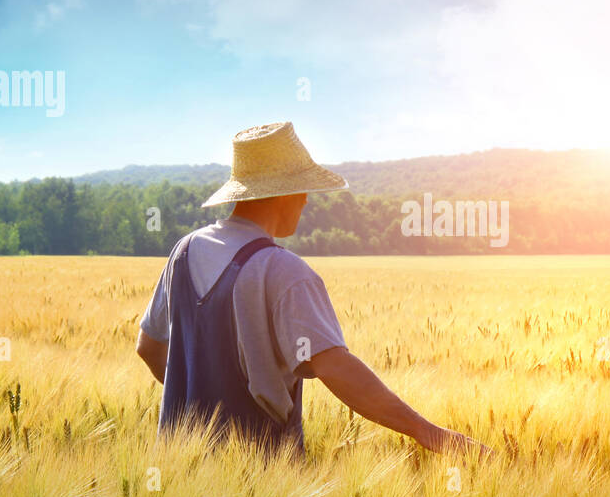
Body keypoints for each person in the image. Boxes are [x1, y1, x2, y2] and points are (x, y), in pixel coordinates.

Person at [135, 120, 488, 460]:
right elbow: (336, 369)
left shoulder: (183, 252)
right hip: (264, 483)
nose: (306, 201)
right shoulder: (283, 270)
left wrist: (199, 407)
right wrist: (429, 433)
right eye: (303, 190)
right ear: (284, 194)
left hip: (177, 466)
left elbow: (148, 347)